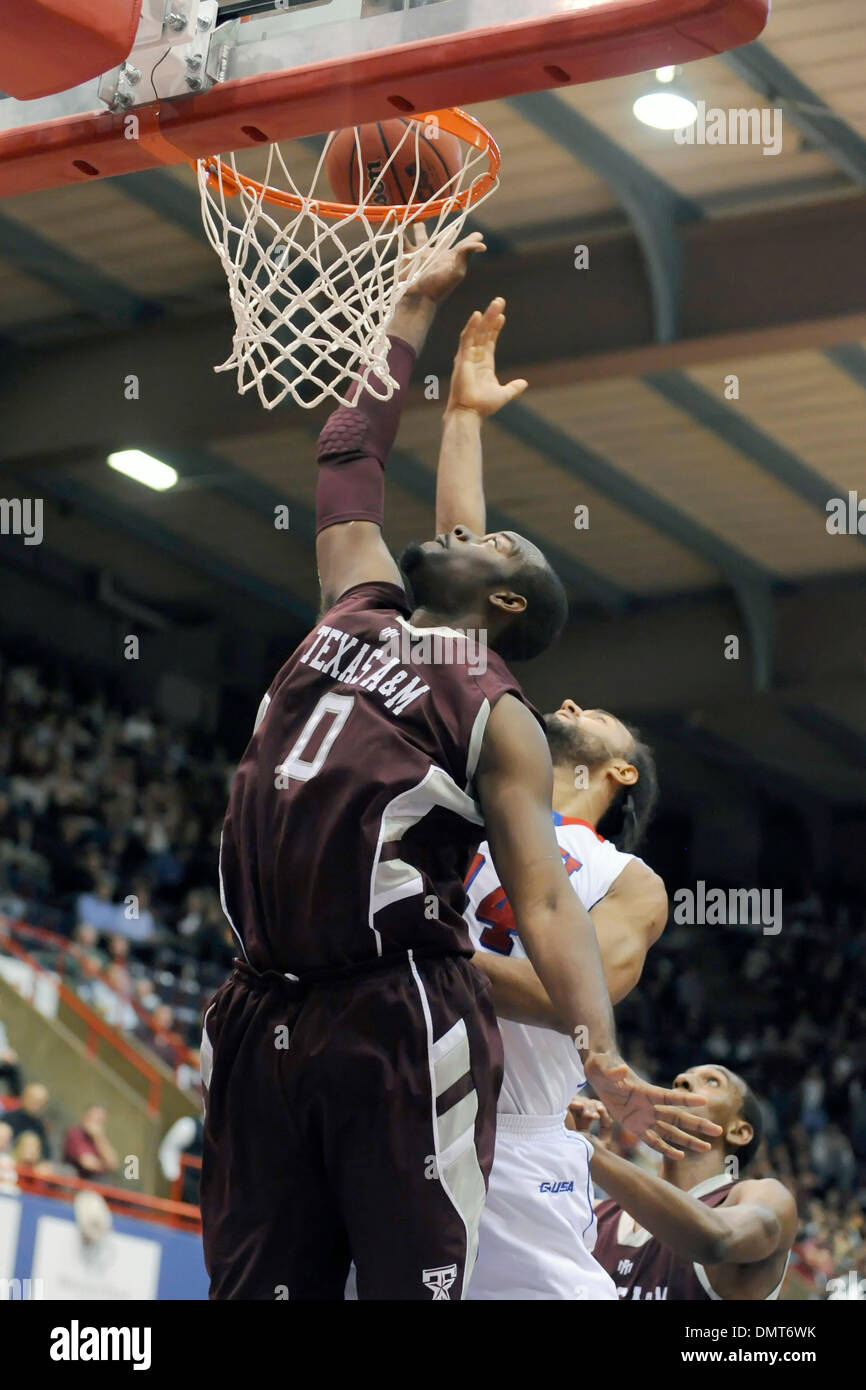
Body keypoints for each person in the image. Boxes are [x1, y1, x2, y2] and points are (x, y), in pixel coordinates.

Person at [200, 240, 708, 1303]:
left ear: (506, 604)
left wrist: (600, 1053)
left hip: (395, 1013)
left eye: (496, 543)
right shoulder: (363, 600)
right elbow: (347, 461)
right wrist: (407, 315)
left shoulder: (495, 711)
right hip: (259, 1001)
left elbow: (548, 911)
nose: (467, 534)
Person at [435, 302, 697, 1299]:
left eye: (603, 715)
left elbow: (559, 997)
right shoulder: (486, 771)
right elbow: (464, 586)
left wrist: (419, 935)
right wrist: (462, 417)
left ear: (619, 770)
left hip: (517, 1140)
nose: (574, 700)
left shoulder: (628, 884)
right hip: (404, 1096)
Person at [570, 1062, 797, 1300]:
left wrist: (589, 1153)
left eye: (712, 1081)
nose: (681, 1080)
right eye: (681, 1079)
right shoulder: (593, 1214)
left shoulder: (766, 1196)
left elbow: (716, 1239)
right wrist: (550, 1132)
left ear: (738, 1131)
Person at [63, 1104, 119, 1181]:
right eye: (93, 1118)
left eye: (100, 1120)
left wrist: (99, 1137)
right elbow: (88, 1164)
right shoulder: (75, 1133)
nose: (96, 1123)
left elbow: (114, 1164)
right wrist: (106, 1166)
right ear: (85, 1117)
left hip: (94, 1182)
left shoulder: (99, 1139)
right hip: (74, 1181)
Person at [3, 1081, 50, 1157]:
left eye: (41, 1102)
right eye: (35, 1100)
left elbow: (46, 1153)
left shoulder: (40, 1125)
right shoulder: (9, 1118)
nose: (37, 1105)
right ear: (24, 1097)